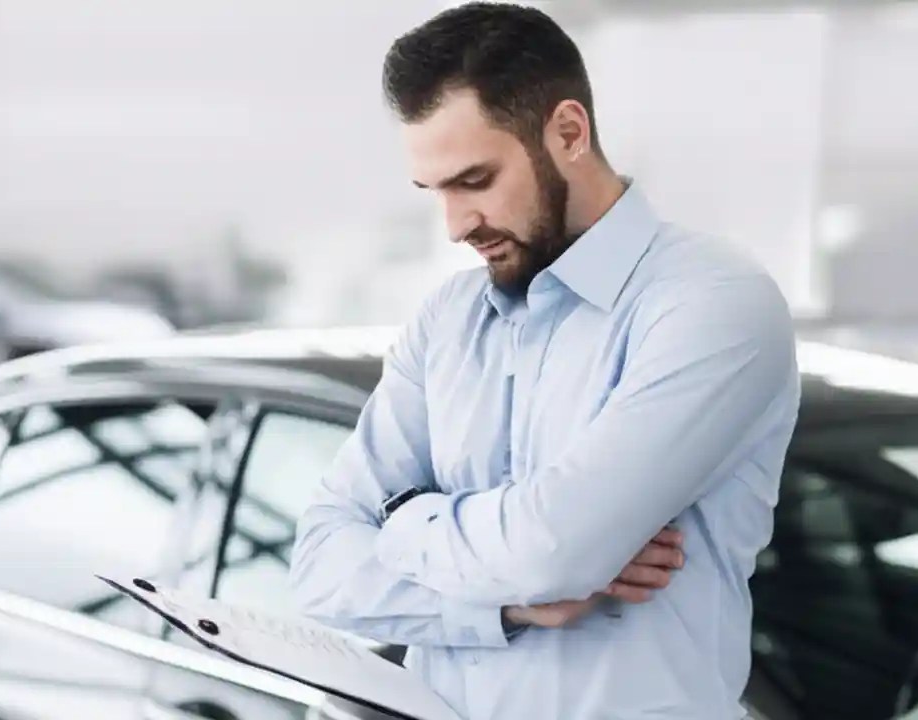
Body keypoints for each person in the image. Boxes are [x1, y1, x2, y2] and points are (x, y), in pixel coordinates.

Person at [289, 3, 800, 718]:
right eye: (435, 192)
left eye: (474, 181)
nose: (455, 225)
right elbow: (319, 565)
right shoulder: (447, 321)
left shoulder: (713, 303)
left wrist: (404, 520)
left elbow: (555, 551)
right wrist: (510, 609)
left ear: (567, 131)